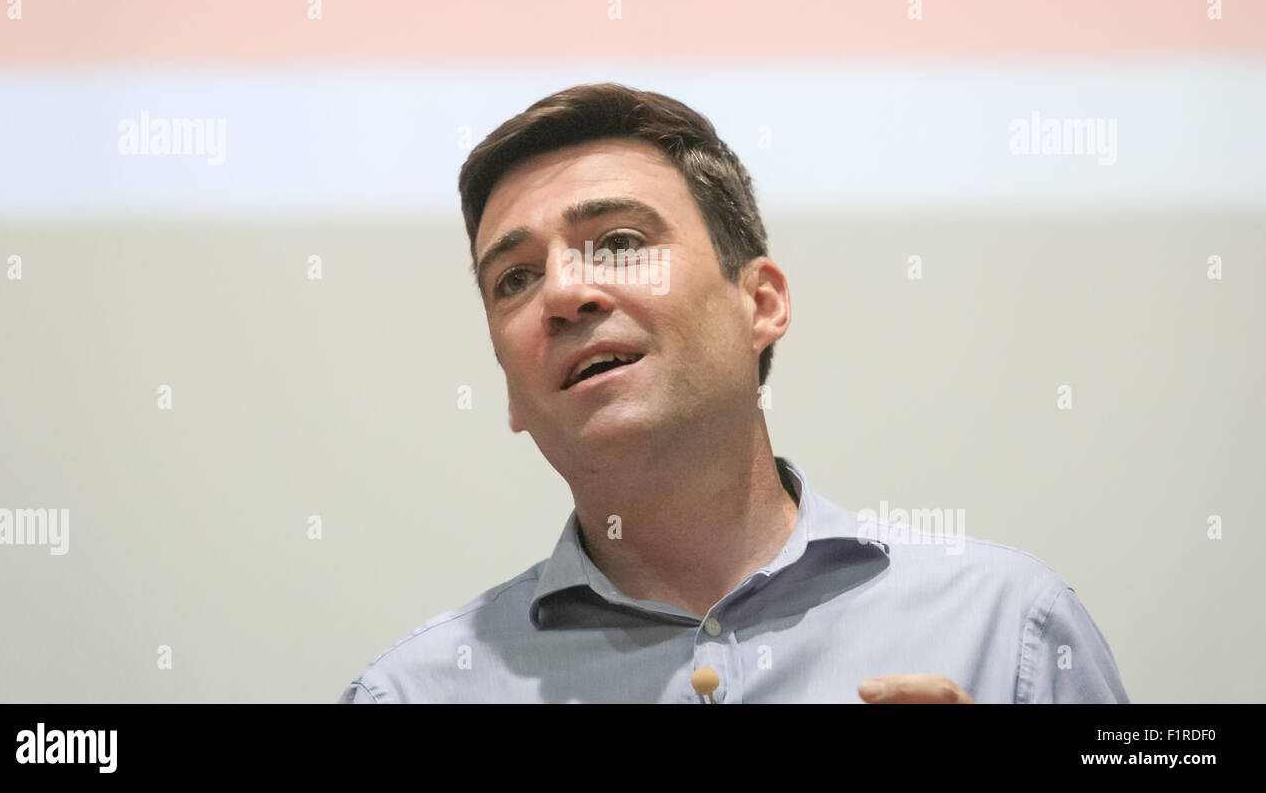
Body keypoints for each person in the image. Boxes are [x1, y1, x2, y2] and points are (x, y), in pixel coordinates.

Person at [338, 83, 1129, 703]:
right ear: (511, 391)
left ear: (761, 304)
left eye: (619, 243)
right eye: (515, 278)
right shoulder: (409, 694)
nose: (563, 293)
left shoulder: (1010, 623)